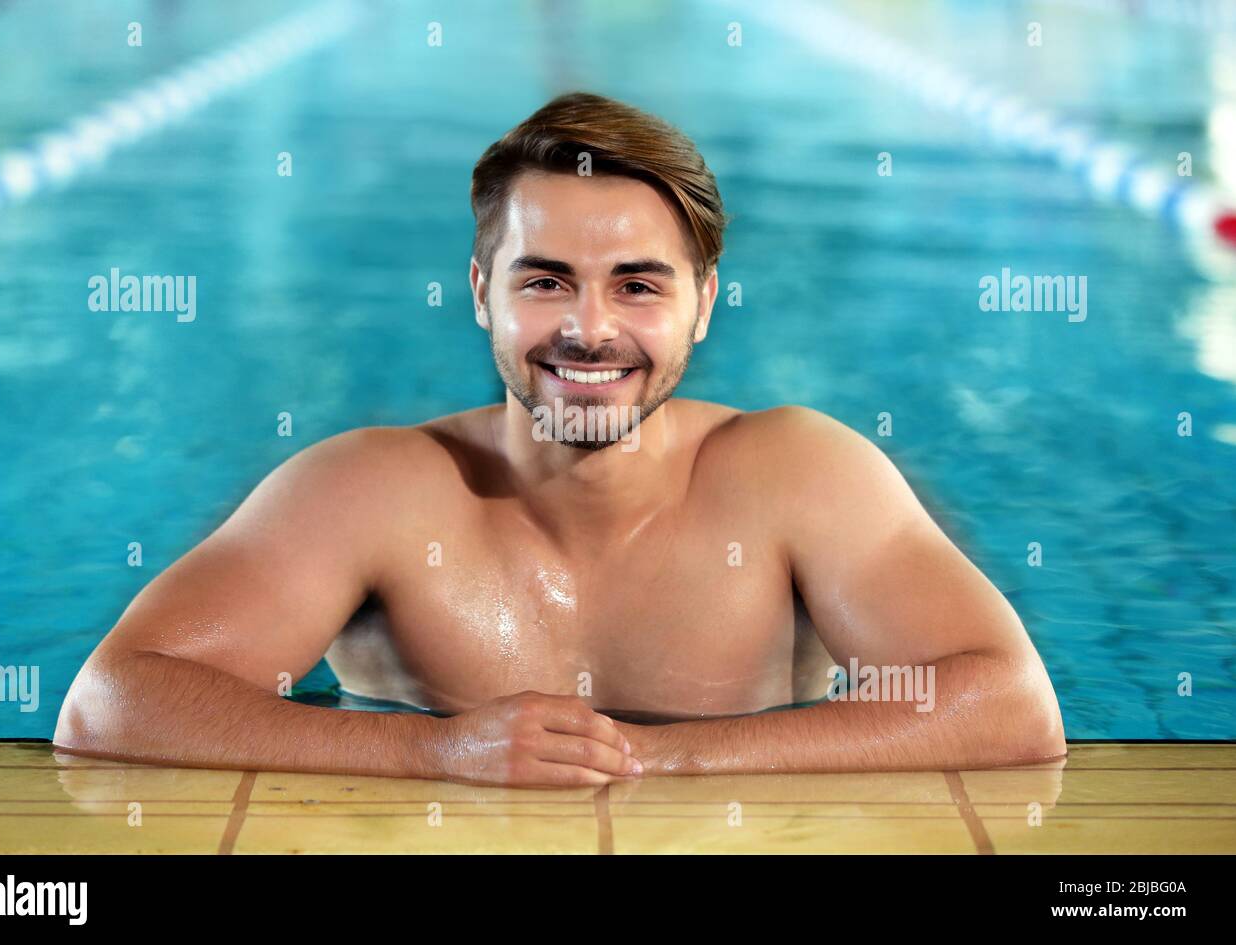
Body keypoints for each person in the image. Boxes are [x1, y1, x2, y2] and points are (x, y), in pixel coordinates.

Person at [54, 92, 1065, 786]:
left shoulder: (797, 474)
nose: (588, 329)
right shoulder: (372, 488)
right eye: (543, 282)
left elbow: (1009, 707)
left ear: (703, 304)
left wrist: (660, 761)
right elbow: (112, 707)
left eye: (637, 284)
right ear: (479, 295)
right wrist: (434, 759)